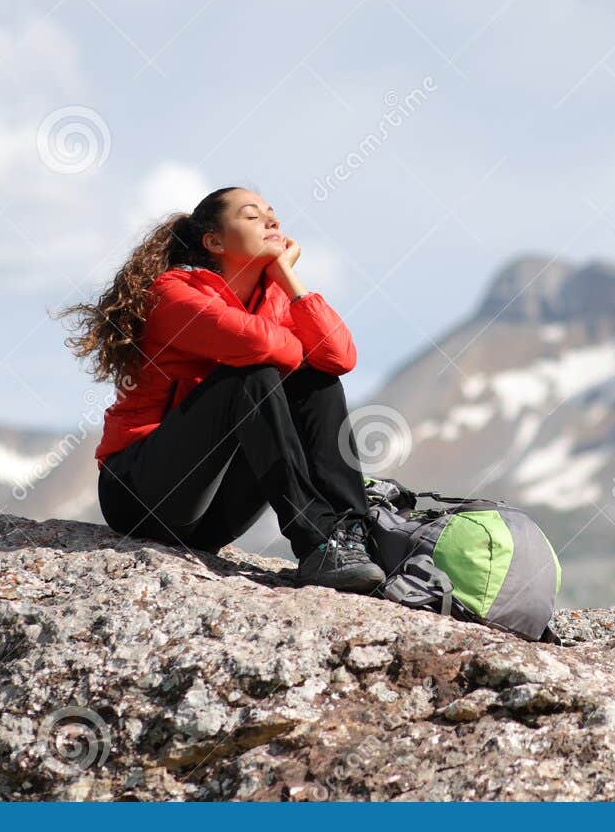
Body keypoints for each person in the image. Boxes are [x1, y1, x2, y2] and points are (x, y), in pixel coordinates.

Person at [56, 185, 384, 594]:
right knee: (255, 375)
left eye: (272, 212)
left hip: (209, 519)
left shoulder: (275, 299)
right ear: (213, 241)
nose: (272, 220)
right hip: (140, 496)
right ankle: (315, 540)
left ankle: (347, 537)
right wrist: (299, 349)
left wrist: (287, 277)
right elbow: (259, 345)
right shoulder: (173, 294)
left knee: (316, 379)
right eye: (251, 215)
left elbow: (339, 357)